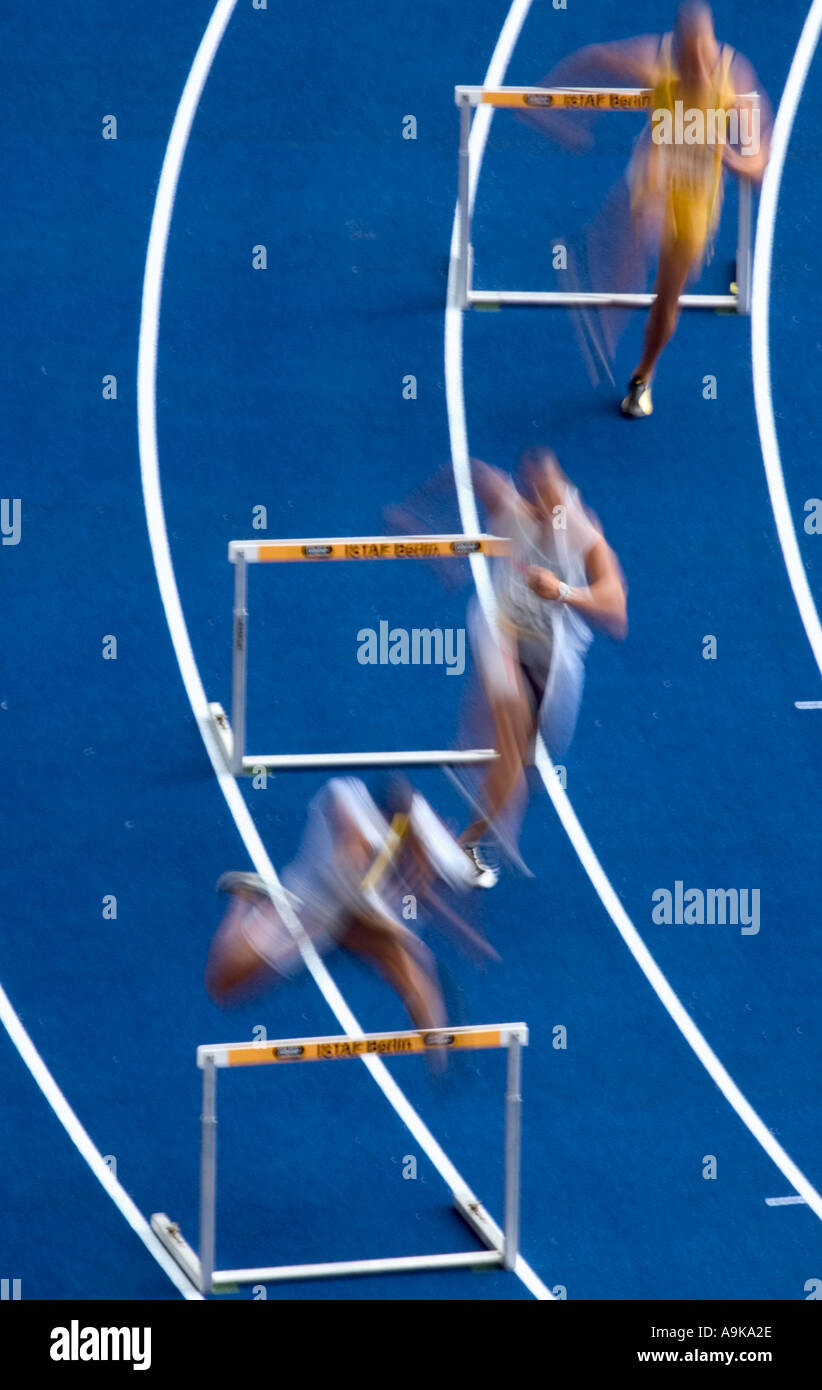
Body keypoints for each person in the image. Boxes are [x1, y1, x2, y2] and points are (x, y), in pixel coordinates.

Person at [526, 3, 770, 416]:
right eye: (684, 62)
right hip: (653, 179)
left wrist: (732, 159)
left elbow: (761, 166)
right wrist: (549, 104)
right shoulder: (654, 61)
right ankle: (612, 278)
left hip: (696, 200)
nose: (692, 72)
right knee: (639, 222)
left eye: (699, 66)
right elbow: (595, 58)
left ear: (711, 56)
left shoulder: (736, 81)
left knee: (666, 304)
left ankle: (642, 376)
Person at [206, 776, 498, 1030]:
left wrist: (469, 936)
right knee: (224, 985)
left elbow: (440, 887)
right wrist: (405, 932)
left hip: (354, 902)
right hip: (313, 907)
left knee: (402, 957)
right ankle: (245, 895)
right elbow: (369, 912)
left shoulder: (426, 838)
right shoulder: (351, 828)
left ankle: (433, 1035)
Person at [458, 449, 627, 874]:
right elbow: (472, 473)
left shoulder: (585, 536)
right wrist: (416, 519)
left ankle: (487, 778)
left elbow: (617, 615)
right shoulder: (511, 509)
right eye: (542, 493)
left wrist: (565, 592)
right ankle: (465, 843)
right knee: (511, 756)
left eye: (561, 502)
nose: (558, 512)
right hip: (503, 637)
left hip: (553, 661)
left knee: (529, 764)